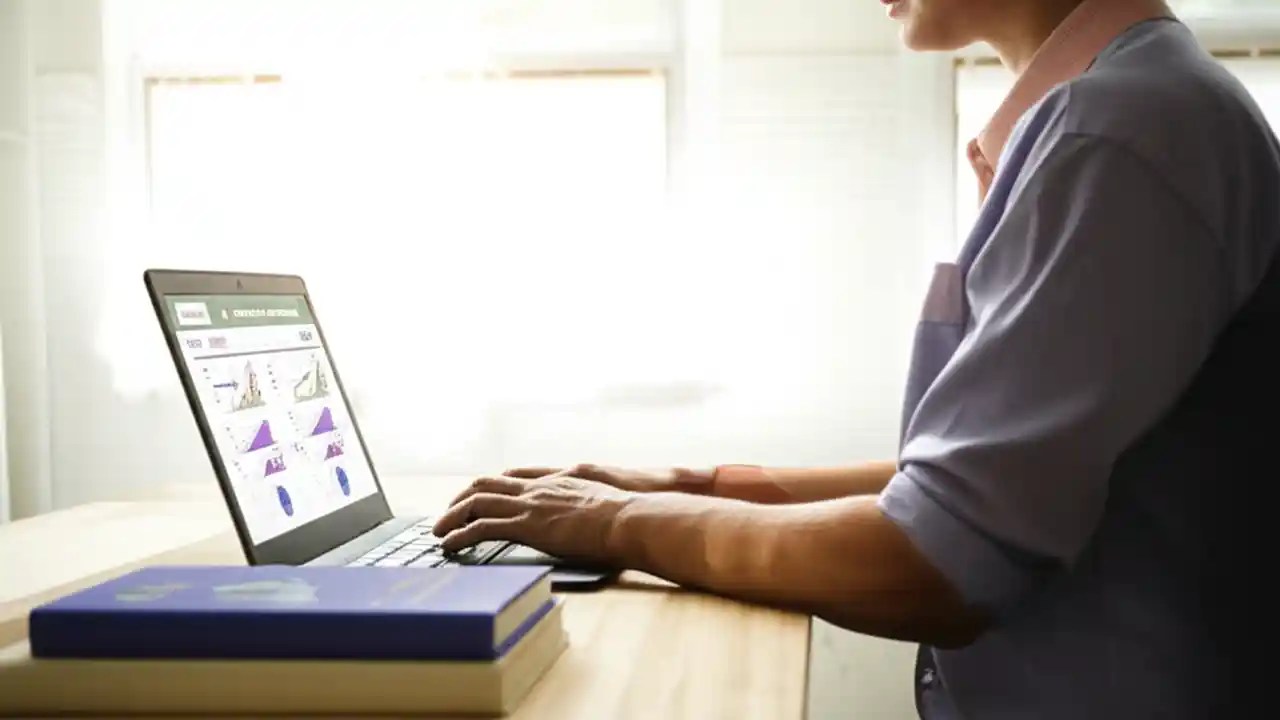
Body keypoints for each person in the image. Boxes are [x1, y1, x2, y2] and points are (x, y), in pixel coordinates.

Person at [434, 0, 1280, 716]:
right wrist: (697, 487)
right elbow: (976, 483)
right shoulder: (1125, 110)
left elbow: (936, 558)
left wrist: (616, 523)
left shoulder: (1116, 136)